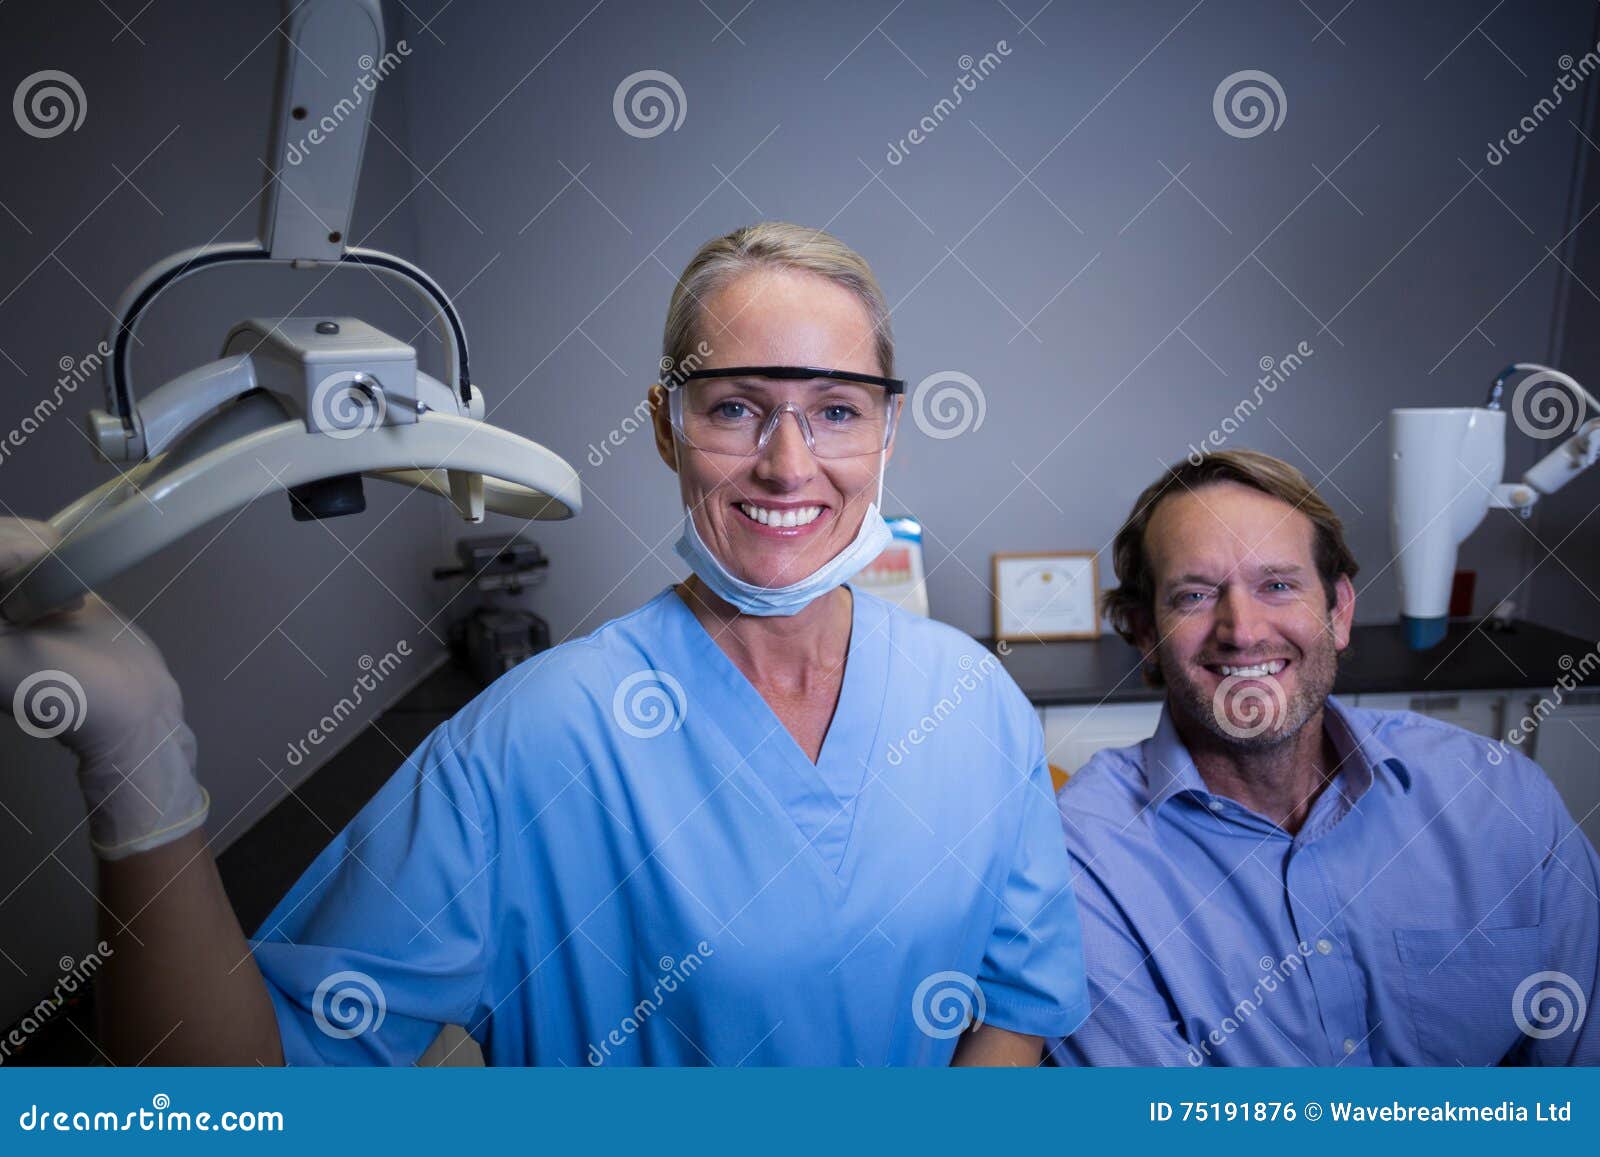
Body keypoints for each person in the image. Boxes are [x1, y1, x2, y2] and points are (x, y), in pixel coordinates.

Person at [0, 222, 1086, 1066]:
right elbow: (239, 1093)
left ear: (888, 427)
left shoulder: (972, 702)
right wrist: (139, 760)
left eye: (837, 410)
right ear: (664, 424)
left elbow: (1018, 1004)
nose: (788, 462)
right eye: (735, 407)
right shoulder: (535, 742)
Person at [1050, 449, 1600, 1067]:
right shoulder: (1084, 857)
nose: (1243, 630)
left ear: (1338, 611)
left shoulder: (1498, 798)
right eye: (1196, 595)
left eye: (1278, 585)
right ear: (1146, 633)